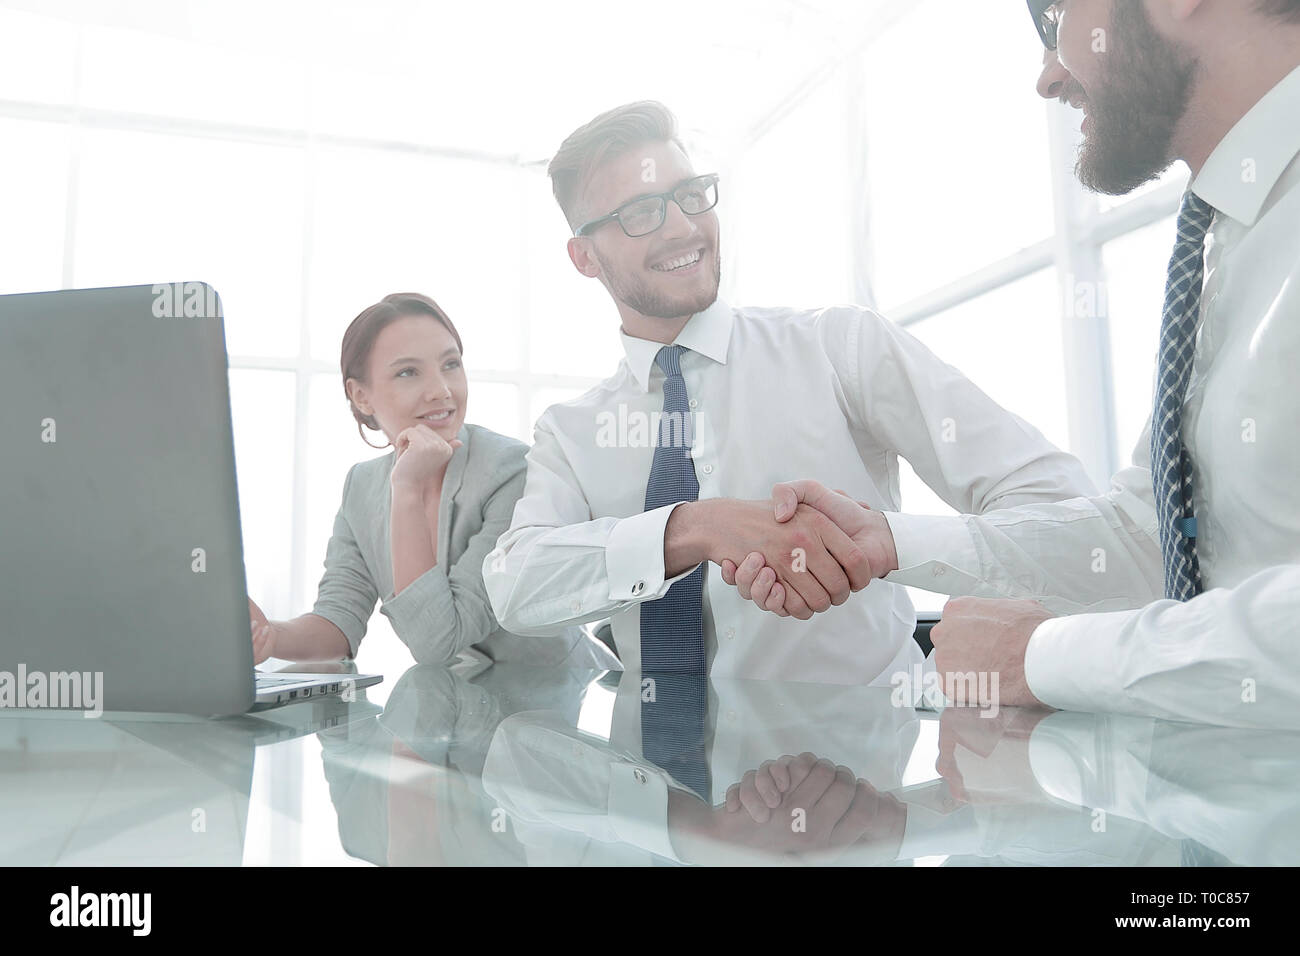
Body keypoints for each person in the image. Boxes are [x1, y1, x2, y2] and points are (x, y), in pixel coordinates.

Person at [725, 0, 1300, 727]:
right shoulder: (1229, 245)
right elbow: (1147, 539)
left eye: (1056, 13)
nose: (1050, 75)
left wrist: (1039, 657)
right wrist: (887, 541)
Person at [482, 100, 1099, 684]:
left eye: (690, 195)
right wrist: (695, 527)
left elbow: (1055, 501)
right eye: (641, 212)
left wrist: (889, 547)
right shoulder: (570, 432)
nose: (683, 227)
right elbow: (515, 587)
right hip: (653, 787)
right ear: (584, 256)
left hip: (863, 774)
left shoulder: (841, 348)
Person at [248, 292, 609, 669]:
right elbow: (338, 622)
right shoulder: (362, 485)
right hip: (457, 710)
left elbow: (439, 642)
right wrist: (270, 636)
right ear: (361, 395)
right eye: (408, 372)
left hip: (555, 701)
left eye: (450, 364)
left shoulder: (511, 471)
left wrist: (406, 490)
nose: (442, 390)